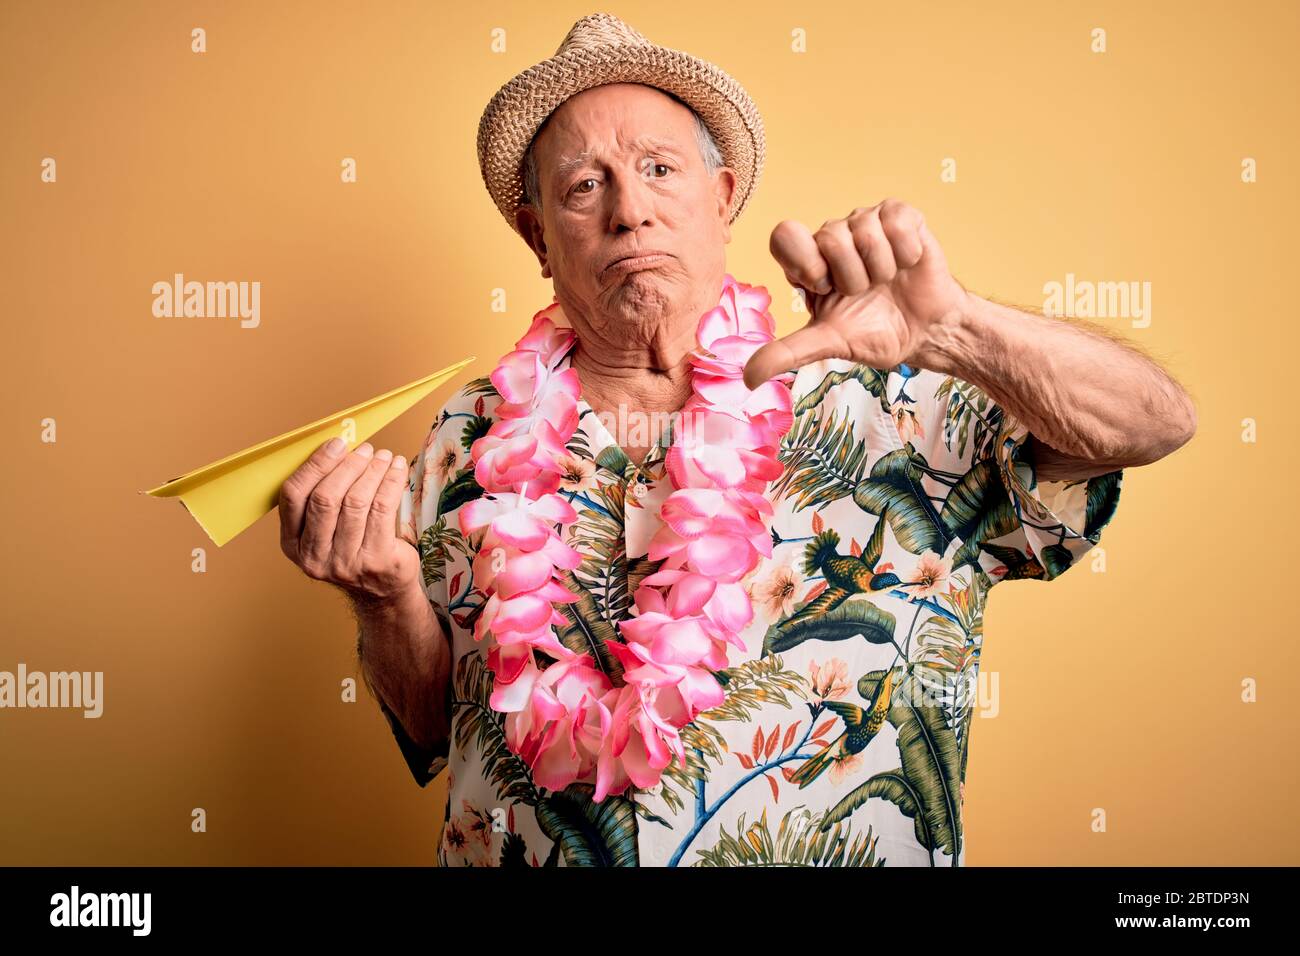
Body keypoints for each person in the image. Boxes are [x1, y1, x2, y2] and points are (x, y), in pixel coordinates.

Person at [277, 13, 1196, 867]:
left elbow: (1156, 423)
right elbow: (437, 726)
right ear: (538, 235)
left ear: (723, 198)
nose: (628, 209)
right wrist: (386, 595)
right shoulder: (463, 437)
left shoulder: (893, 395)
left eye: (660, 169)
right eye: (583, 186)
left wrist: (956, 331)